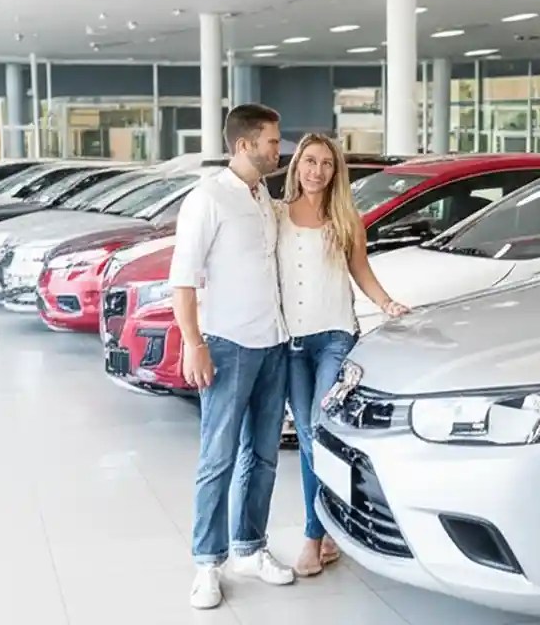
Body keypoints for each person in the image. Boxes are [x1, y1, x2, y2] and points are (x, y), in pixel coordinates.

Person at [170, 103, 295, 609]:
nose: (278, 149)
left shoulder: (262, 194)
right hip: (227, 344)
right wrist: (194, 343)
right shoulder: (207, 199)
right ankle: (207, 563)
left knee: (262, 456)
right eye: (271, 141)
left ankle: (250, 547)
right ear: (244, 145)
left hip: (273, 343)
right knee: (217, 457)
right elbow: (182, 279)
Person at [276, 133, 409, 576]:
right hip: (291, 344)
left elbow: (361, 272)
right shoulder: (277, 217)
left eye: (326, 164)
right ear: (297, 165)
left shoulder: (346, 218)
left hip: (334, 337)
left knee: (315, 432)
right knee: (312, 439)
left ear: (336, 172)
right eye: (310, 162)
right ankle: (331, 527)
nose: (317, 171)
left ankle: (316, 535)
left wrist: (388, 303)